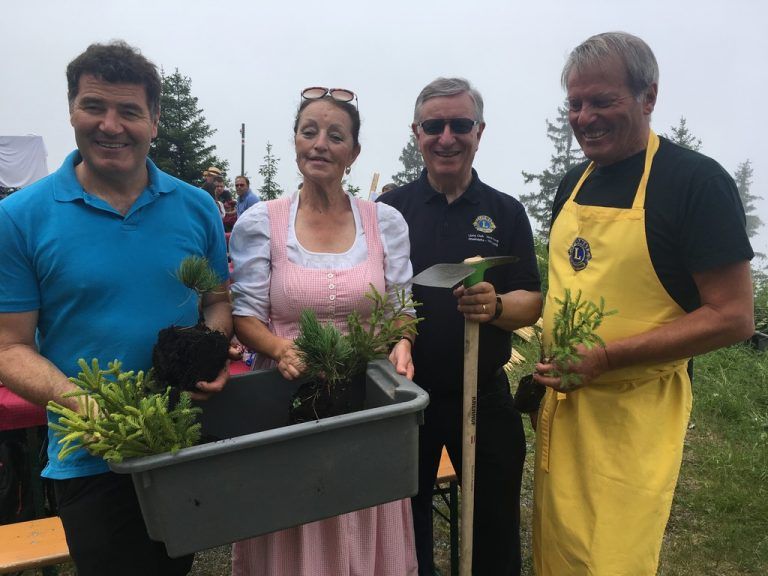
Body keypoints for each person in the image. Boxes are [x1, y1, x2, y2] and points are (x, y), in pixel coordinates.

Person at [0, 41, 233, 576]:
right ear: (72, 112)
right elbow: (9, 346)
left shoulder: (196, 206)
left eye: (129, 111)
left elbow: (217, 301)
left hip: (179, 440)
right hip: (90, 454)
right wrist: (83, 401)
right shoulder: (20, 217)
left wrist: (212, 350)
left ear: (154, 119)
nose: (110, 125)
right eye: (94, 107)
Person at [532, 32, 755, 575]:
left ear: (648, 96)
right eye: (575, 103)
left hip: (634, 414)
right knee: (556, 550)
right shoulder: (573, 182)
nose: (585, 118)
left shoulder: (694, 183)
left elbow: (734, 316)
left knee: (611, 557)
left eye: (602, 101)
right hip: (563, 409)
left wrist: (604, 358)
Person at [228, 86, 418, 576]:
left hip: (365, 394)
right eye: (309, 131)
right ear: (294, 141)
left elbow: (400, 307)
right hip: (286, 390)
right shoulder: (261, 222)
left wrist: (402, 341)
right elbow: (244, 314)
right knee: (293, 512)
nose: (320, 144)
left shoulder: (385, 222)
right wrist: (279, 348)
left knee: (362, 504)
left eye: (336, 135)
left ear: (353, 153)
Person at [379, 77, 542, 576]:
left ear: (480, 131)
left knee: (493, 527)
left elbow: (531, 301)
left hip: (482, 398)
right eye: (434, 125)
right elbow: (375, 296)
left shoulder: (505, 211)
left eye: (460, 124)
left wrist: (494, 307)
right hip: (405, 401)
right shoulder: (389, 210)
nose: (446, 136)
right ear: (416, 133)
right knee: (404, 529)